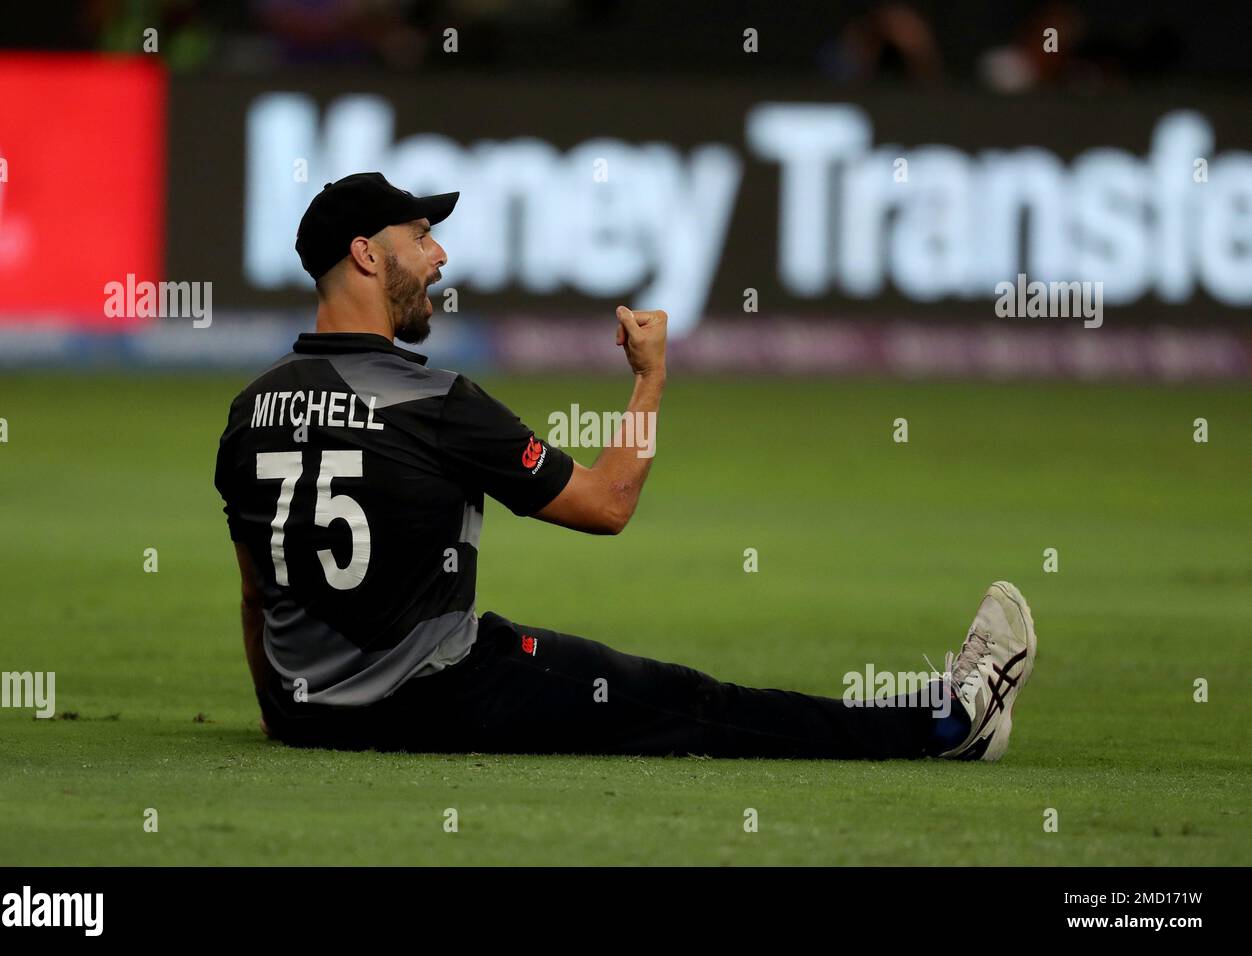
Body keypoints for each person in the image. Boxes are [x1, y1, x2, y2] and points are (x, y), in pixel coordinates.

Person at [213, 172, 1036, 762]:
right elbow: (607, 505)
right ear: (364, 255)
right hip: (444, 693)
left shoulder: (250, 411)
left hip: (311, 715)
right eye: (421, 237)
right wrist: (649, 379)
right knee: (693, 706)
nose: (440, 257)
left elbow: (259, 596)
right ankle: (944, 725)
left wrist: (288, 715)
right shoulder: (437, 402)